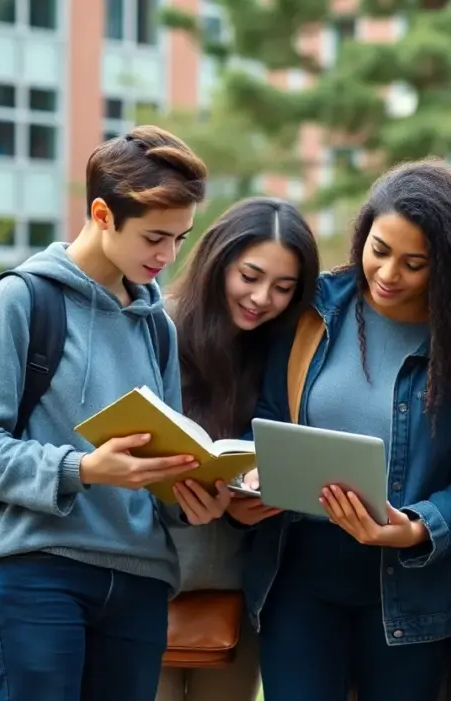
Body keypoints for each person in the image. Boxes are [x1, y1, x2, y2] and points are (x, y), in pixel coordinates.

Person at [0, 126, 231, 701]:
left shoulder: (157, 328)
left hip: (141, 583)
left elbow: (159, 460)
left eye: (180, 239)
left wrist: (194, 498)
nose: (168, 257)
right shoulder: (24, 298)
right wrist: (85, 469)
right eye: (155, 237)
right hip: (37, 573)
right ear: (103, 213)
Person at [228, 158, 451, 701]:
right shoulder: (313, 311)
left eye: (416, 263)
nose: (389, 274)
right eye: (379, 250)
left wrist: (418, 526)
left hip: (411, 592)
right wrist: (253, 478)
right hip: (297, 579)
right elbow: (268, 420)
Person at [155, 197, 320, 701]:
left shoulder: (289, 352)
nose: (261, 297)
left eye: (283, 288)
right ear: (218, 261)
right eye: (249, 276)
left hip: (236, 588)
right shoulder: (158, 327)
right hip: (149, 581)